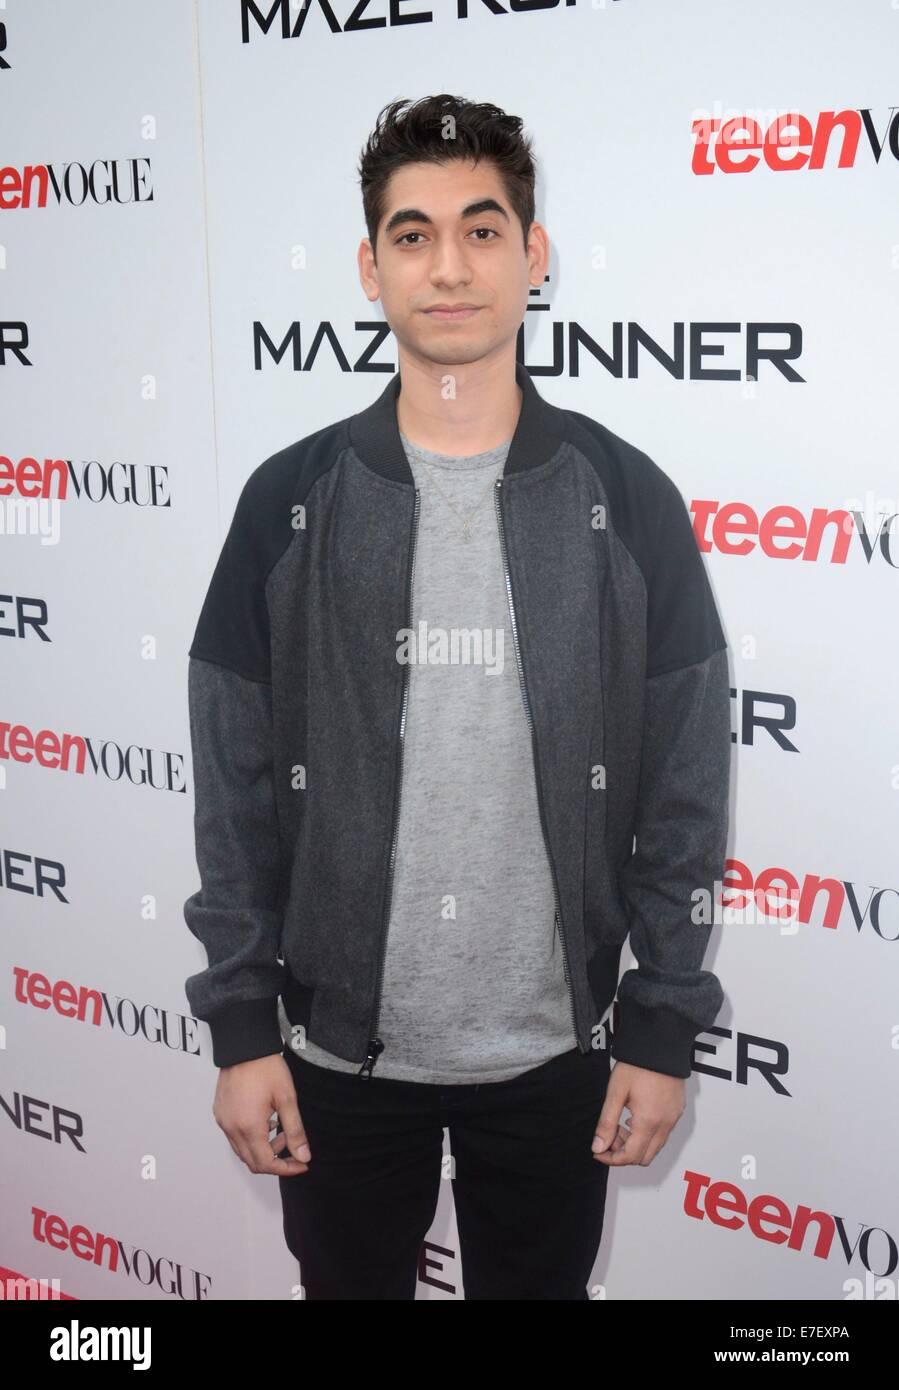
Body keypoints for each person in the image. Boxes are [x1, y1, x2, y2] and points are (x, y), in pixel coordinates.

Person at [182, 94, 731, 1300]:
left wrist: (657, 1021)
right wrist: (239, 1026)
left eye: (482, 232)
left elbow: (685, 787)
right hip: (332, 1057)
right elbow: (229, 786)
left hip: (556, 1057)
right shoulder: (287, 503)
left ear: (533, 257)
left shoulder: (628, 501)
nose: (448, 267)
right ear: (369, 266)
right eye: (414, 234)